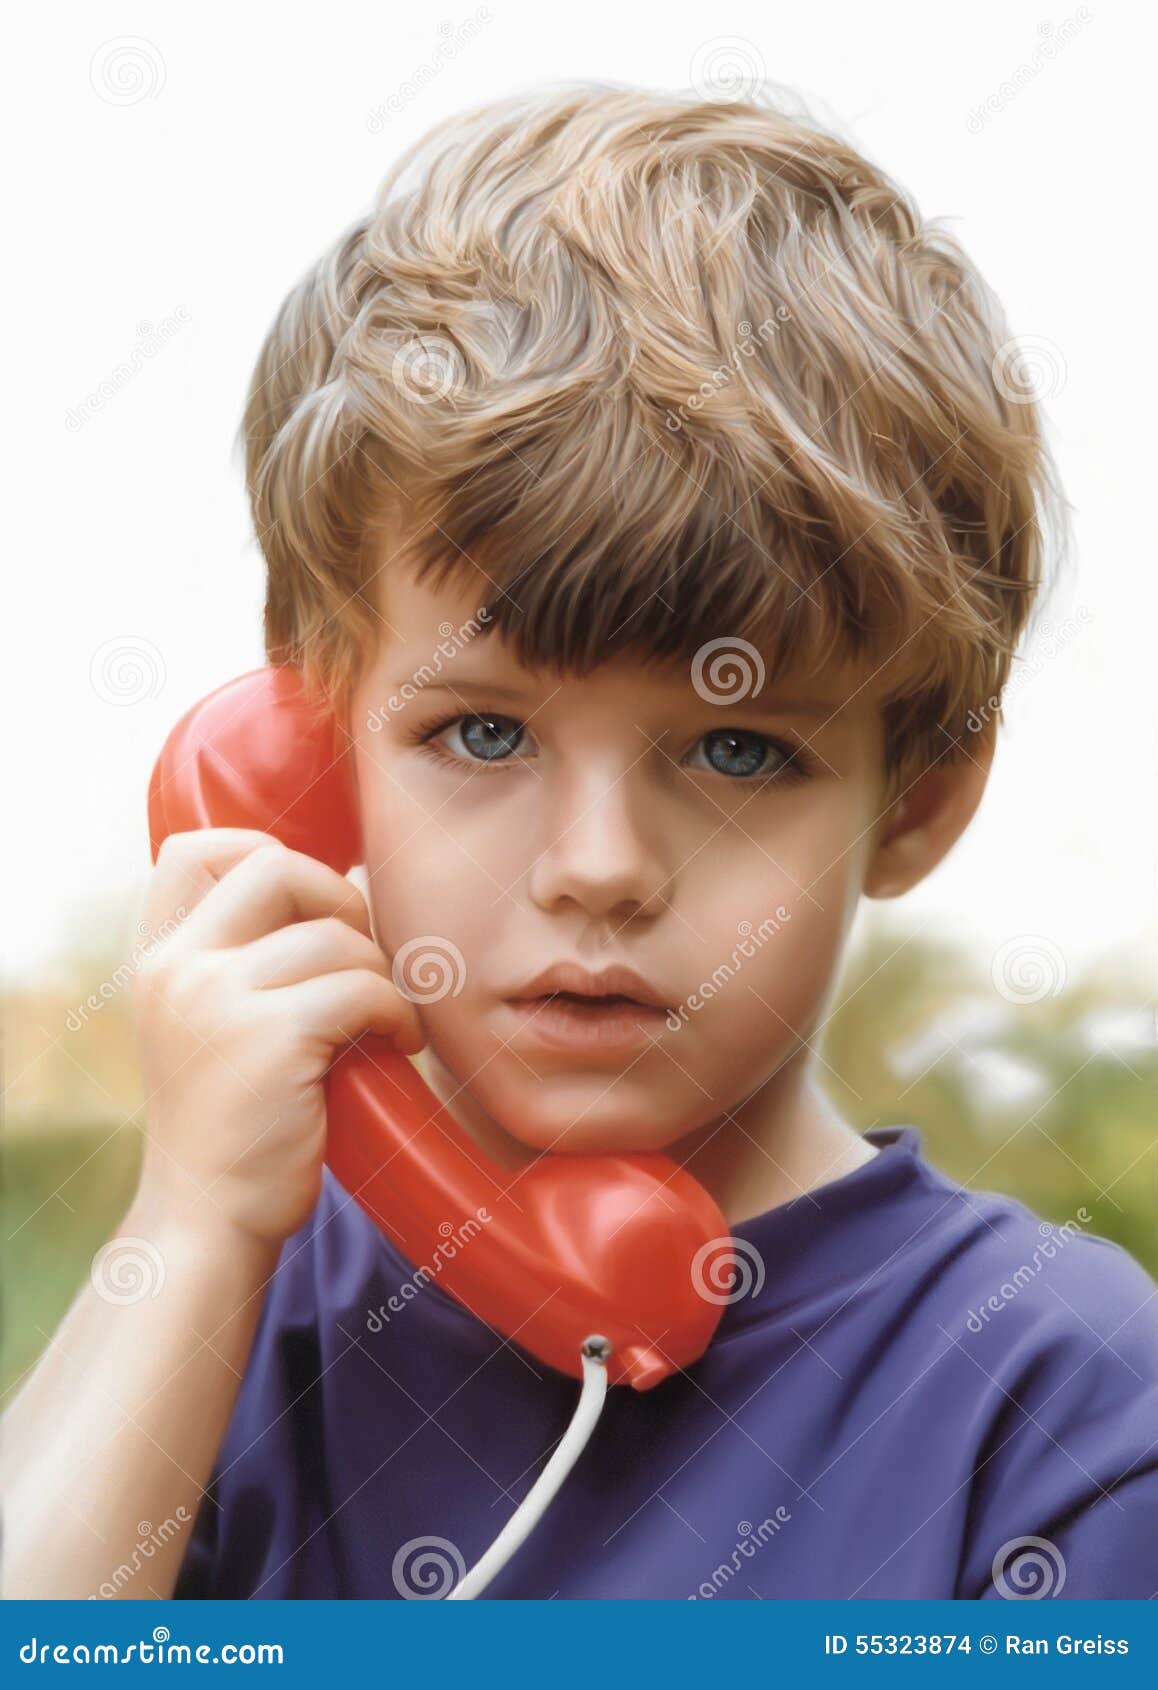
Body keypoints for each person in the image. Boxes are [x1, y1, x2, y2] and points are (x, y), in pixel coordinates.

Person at [4, 82, 1154, 1601]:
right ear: (314, 747)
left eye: (739, 747)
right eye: (480, 734)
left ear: (920, 795)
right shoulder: (220, 1338)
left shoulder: (1060, 1397)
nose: (598, 866)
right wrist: (195, 1224)